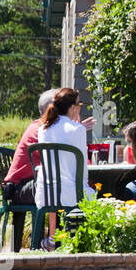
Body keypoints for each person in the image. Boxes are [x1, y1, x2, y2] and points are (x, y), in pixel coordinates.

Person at [33, 88, 95, 251]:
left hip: (45, 193)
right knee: (94, 195)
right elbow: (82, 169)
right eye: (79, 104)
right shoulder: (77, 129)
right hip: (72, 193)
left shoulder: (43, 129)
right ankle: (83, 245)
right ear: (73, 107)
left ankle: (53, 240)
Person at [2, 88, 58, 210]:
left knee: (60, 186)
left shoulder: (47, 128)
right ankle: (59, 229)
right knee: (58, 188)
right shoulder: (39, 129)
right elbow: (55, 155)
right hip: (18, 189)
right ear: (52, 108)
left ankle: (58, 228)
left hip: (29, 183)